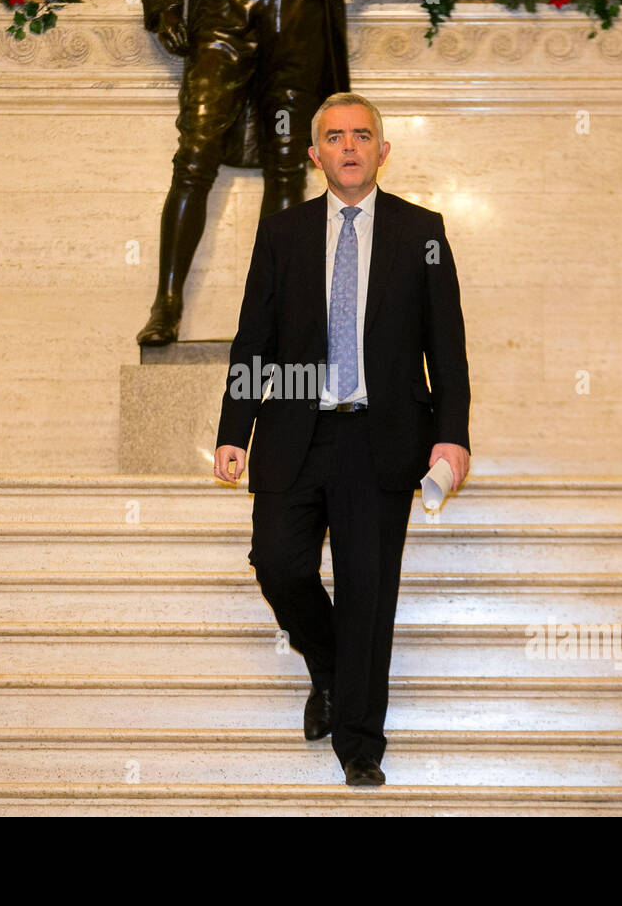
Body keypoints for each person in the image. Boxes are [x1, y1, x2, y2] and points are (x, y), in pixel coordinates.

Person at [212, 92, 471, 786]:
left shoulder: (423, 229)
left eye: (362, 135)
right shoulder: (283, 232)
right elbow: (253, 340)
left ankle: (360, 744)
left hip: (382, 438)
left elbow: (446, 346)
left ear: (383, 151)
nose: (349, 146)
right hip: (295, 427)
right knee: (279, 563)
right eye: (335, 136)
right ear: (314, 153)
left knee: (368, 591)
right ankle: (328, 667)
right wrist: (234, 430)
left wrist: (452, 436)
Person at [136, 0, 431, 346]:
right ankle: (167, 303)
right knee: (195, 151)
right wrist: (165, 3)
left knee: (287, 159)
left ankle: (273, 307)